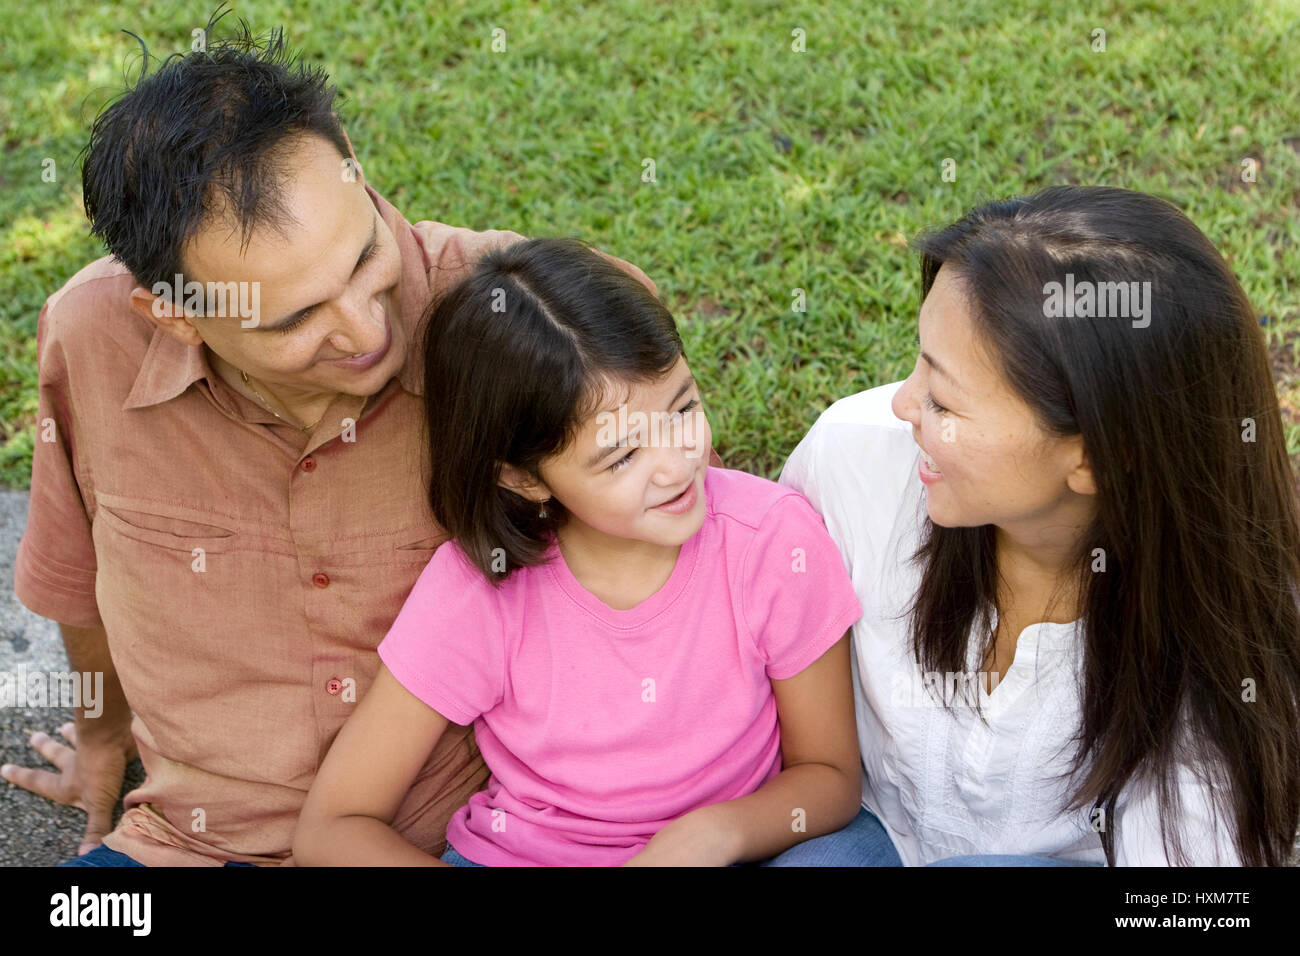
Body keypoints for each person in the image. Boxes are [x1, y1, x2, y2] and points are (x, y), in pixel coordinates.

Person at [3, 14, 696, 866]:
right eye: (296, 318)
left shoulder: (520, 326)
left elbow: (678, 561)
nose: (367, 329)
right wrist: (102, 737)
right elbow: (79, 586)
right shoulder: (89, 340)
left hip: (481, 839)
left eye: (366, 256)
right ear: (174, 317)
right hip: (188, 843)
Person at [292, 238, 865, 866]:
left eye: (683, 409)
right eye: (621, 457)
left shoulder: (772, 542)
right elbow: (335, 825)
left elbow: (830, 779)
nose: (676, 467)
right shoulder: (480, 589)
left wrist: (711, 836)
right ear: (524, 478)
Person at [775, 185, 1300, 866]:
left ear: (1098, 458)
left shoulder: (1233, 630)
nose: (904, 405)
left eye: (942, 399)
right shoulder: (852, 460)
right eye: (918, 365)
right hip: (868, 835)